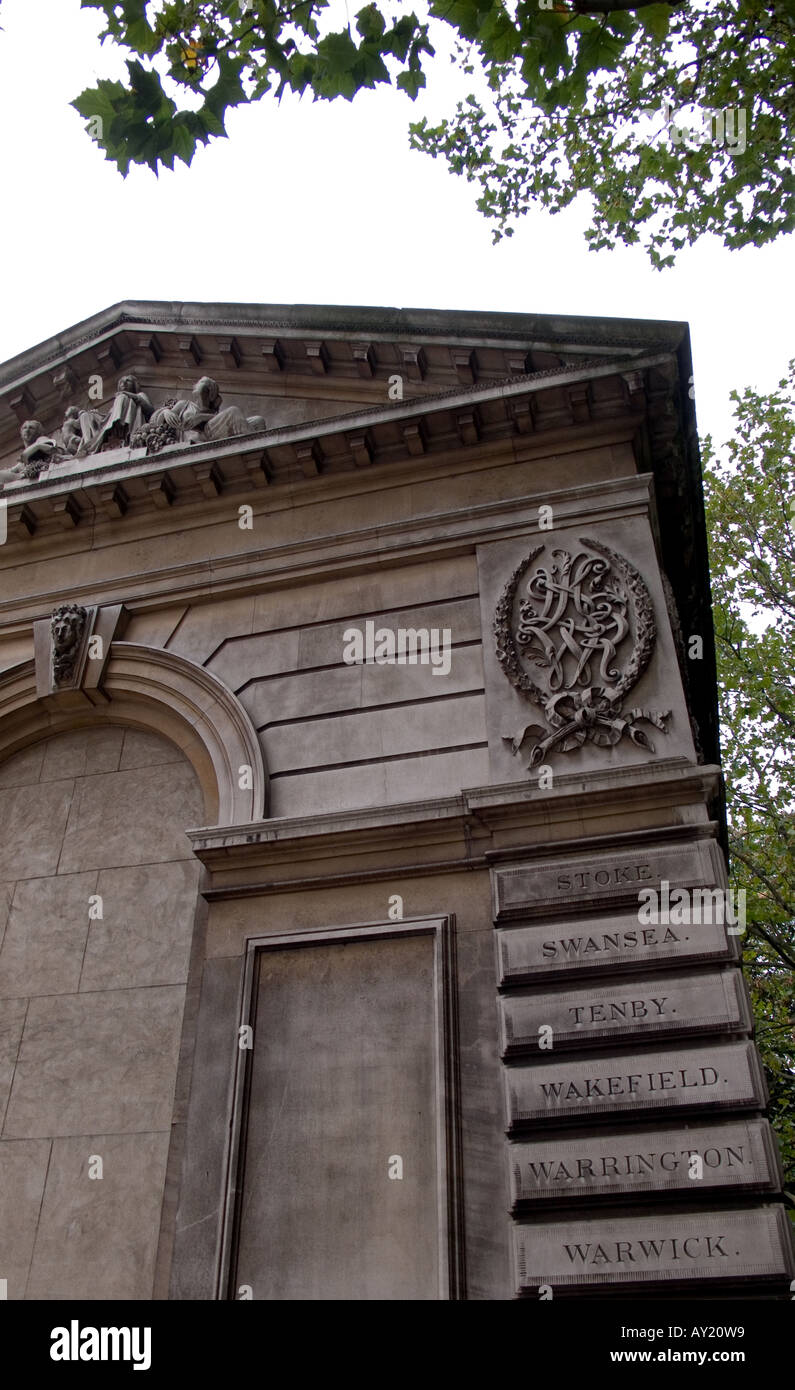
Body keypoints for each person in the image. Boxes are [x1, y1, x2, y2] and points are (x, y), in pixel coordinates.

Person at [88, 375, 154, 452]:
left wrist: (129, 395)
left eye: (128, 381)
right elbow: (108, 417)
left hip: (131, 426)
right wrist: (96, 414)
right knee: (86, 415)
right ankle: (98, 440)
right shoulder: (119, 400)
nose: (124, 383)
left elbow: (150, 411)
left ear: (134, 385)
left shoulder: (140, 395)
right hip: (113, 426)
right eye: (121, 382)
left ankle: (119, 428)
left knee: (122, 397)